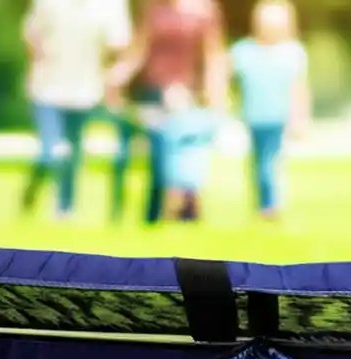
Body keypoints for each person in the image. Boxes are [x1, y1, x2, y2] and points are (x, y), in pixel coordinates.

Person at [106, 0, 225, 224]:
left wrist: (215, 93)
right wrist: (117, 78)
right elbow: (140, 48)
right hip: (153, 92)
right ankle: (154, 214)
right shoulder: (154, 8)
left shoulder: (203, 9)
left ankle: (185, 209)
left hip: (185, 91)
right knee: (159, 153)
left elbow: (212, 54)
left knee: (186, 153)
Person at [21, 0, 133, 219]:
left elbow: (119, 46)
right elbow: (32, 33)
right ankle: (32, 192)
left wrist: (114, 83)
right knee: (50, 152)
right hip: (47, 90)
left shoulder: (111, 5)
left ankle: (64, 208)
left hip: (85, 93)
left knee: (72, 154)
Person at [229, 0, 311, 219]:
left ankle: (271, 206)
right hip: (254, 117)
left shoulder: (292, 52)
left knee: (270, 165)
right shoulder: (244, 51)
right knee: (257, 165)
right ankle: (263, 204)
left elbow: (298, 89)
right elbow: (230, 79)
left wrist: (299, 119)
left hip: (278, 118)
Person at [157, 84, 218, 221]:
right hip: (176, 162)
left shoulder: (197, 117)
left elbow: (212, 127)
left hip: (193, 162)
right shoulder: (169, 120)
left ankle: (192, 215)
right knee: (175, 193)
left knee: (191, 193)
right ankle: (172, 217)